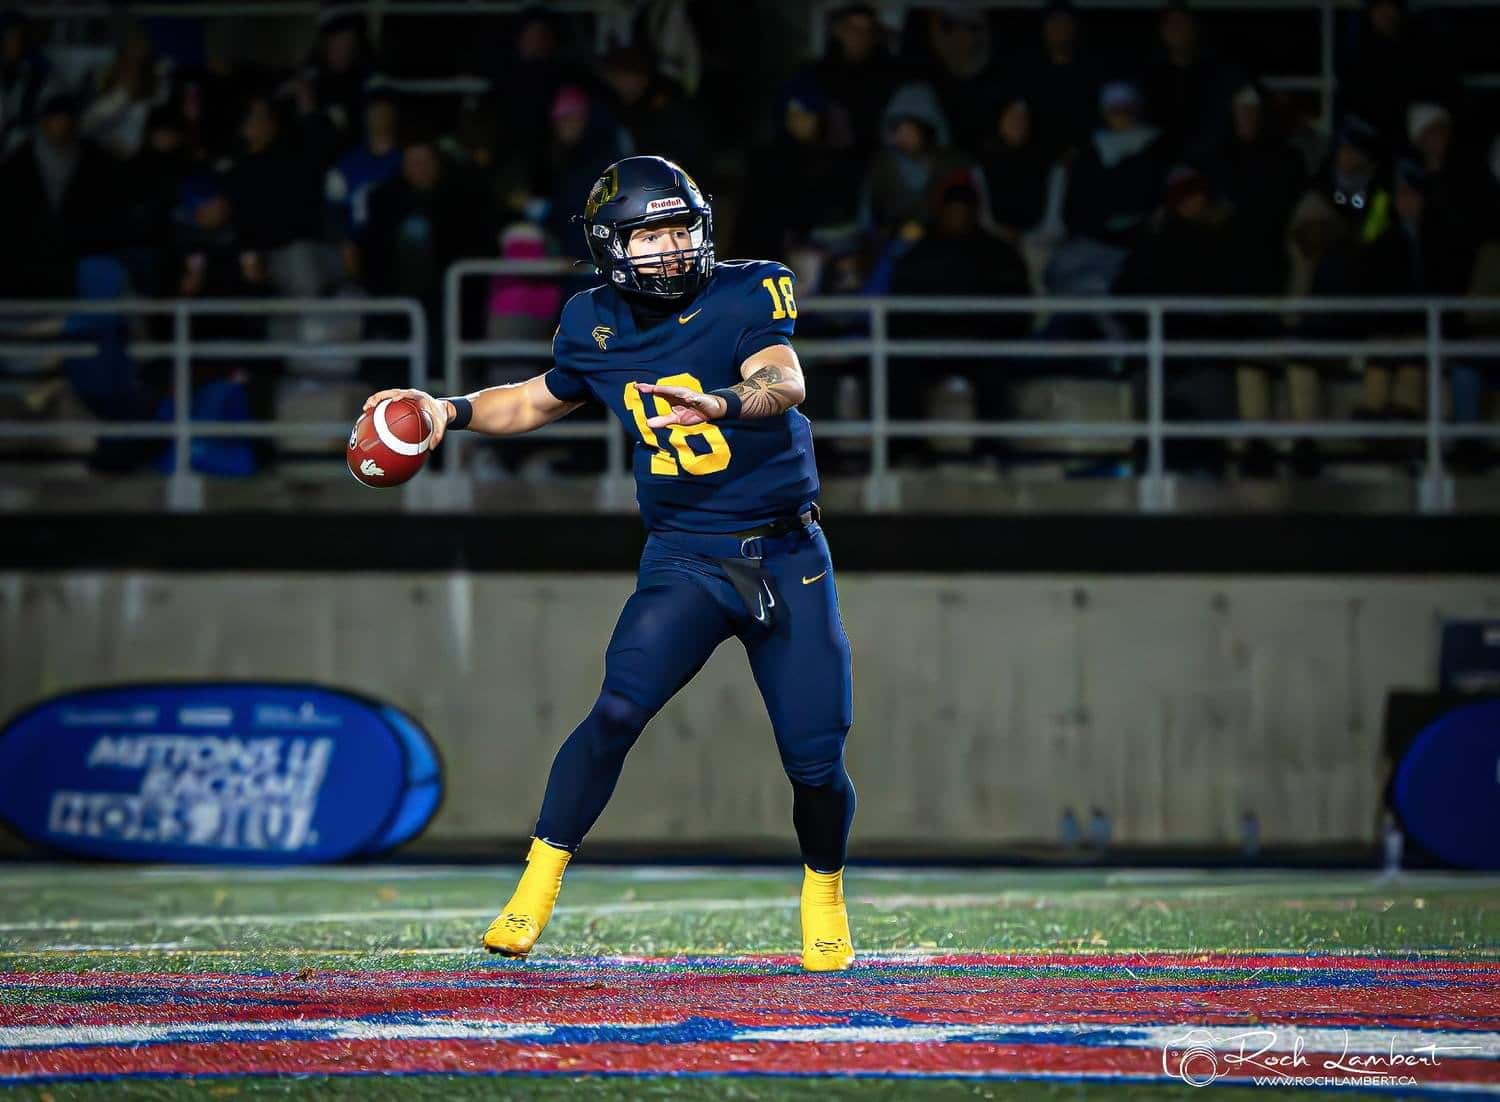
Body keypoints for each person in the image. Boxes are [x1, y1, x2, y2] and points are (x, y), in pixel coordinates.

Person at [362, 156, 856, 972]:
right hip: (685, 555)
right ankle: (535, 887)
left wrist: (725, 401)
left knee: (815, 757)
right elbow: (534, 398)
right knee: (619, 708)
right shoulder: (592, 320)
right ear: (609, 245)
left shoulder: (748, 291)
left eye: (677, 229)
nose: (668, 249)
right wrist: (444, 411)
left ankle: (824, 889)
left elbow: (783, 378)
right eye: (648, 234)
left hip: (785, 549)